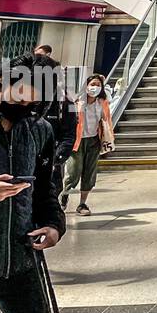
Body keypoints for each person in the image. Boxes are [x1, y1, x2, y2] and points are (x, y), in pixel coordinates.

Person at [0, 52, 65, 313]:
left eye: (32, 102)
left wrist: (53, 225)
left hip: (21, 261)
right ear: (0, 83)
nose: (24, 106)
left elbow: (45, 187)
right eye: (18, 96)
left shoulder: (39, 130)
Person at [60, 73, 113, 215]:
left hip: (94, 141)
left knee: (89, 173)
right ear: (86, 86)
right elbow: (68, 121)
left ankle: (82, 204)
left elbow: (107, 123)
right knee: (74, 171)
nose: (95, 87)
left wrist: (108, 141)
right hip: (77, 141)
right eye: (92, 84)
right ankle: (64, 194)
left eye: (98, 85)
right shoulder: (76, 101)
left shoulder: (103, 103)